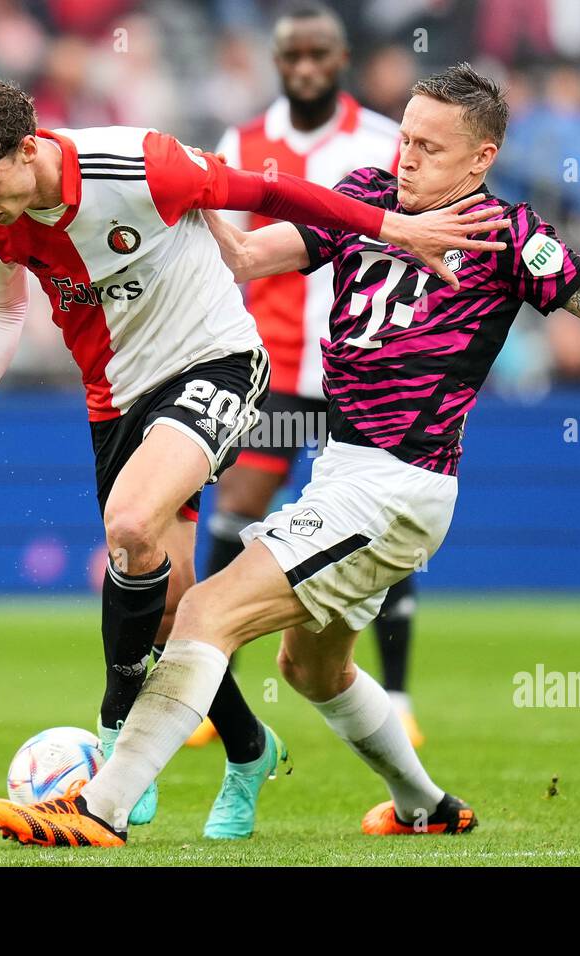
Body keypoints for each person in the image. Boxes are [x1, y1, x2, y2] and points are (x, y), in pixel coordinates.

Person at [0, 64, 580, 848]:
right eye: (404, 137)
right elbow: (247, 255)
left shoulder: (508, 236)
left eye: (429, 146)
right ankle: (426, 807)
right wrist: (175, 217)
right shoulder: (369, 199)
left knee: (205, 613)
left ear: (481, 157)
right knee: (311, 666)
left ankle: (100, 810)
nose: (406, 157)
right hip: (343, 471)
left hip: (399, 488)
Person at [0, 74, 504, 839]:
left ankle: (110, 751)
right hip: (116, 402)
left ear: (29, 150)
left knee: (130, 527)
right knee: (170, 609)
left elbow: (273, 194)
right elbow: (1, 302)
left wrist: (396, 230)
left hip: (215, 363)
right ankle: (251, 747)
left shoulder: (138, 165)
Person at [197, 4, 427, 757]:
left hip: (361, 370)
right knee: (238, 507)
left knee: (382, 527)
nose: (303, 66)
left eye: (317, 53)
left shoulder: (379, 141)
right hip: (274, 368)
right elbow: (222, 247)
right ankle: (213, 690)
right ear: (276, 59)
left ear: (341, 57)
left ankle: (397, 695)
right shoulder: (244, 140)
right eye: (291, 53)